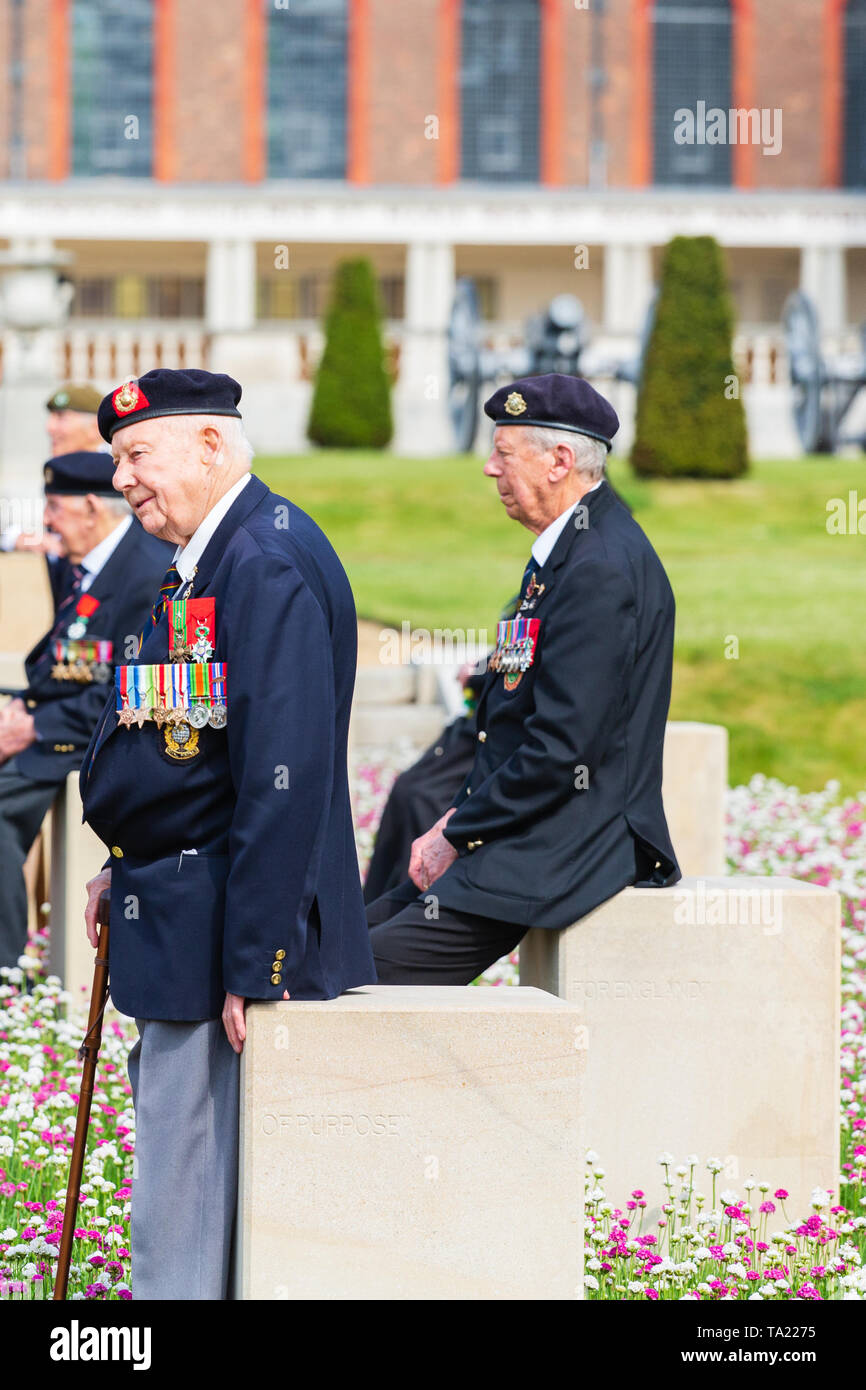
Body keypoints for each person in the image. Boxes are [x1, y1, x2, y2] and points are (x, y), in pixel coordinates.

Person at [80, 367, 375, 1301]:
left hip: (219, 934)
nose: (123, 478)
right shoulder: (215, 556)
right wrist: (120, 861)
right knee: (184, 1182)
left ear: (211, 444)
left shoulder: (262, 561)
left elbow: (280, 779)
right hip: (174, 907)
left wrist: (260, 957)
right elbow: (189, 752)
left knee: (184, 1198)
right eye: (118, 459)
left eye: (138, 455)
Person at [366, 373, 681, 984]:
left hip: (565, 847)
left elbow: (563, 749)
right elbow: (507, 724)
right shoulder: (569, 553)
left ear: (560, 461)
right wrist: (453, 824)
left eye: (503, 453)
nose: (490, 469)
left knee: (351, 971)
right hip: (521, 834)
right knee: (337, 941)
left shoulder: (599, 567)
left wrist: (457, 829)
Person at [0, 452, 173, 969]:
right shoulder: (90, 564)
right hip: (54, 722)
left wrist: (32, 726)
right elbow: (65, 665)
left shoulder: (145, 572)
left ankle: (7, 975)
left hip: (84, 740)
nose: (48, 522)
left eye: (54, 507)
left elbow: (129, 690)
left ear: (92, 507)